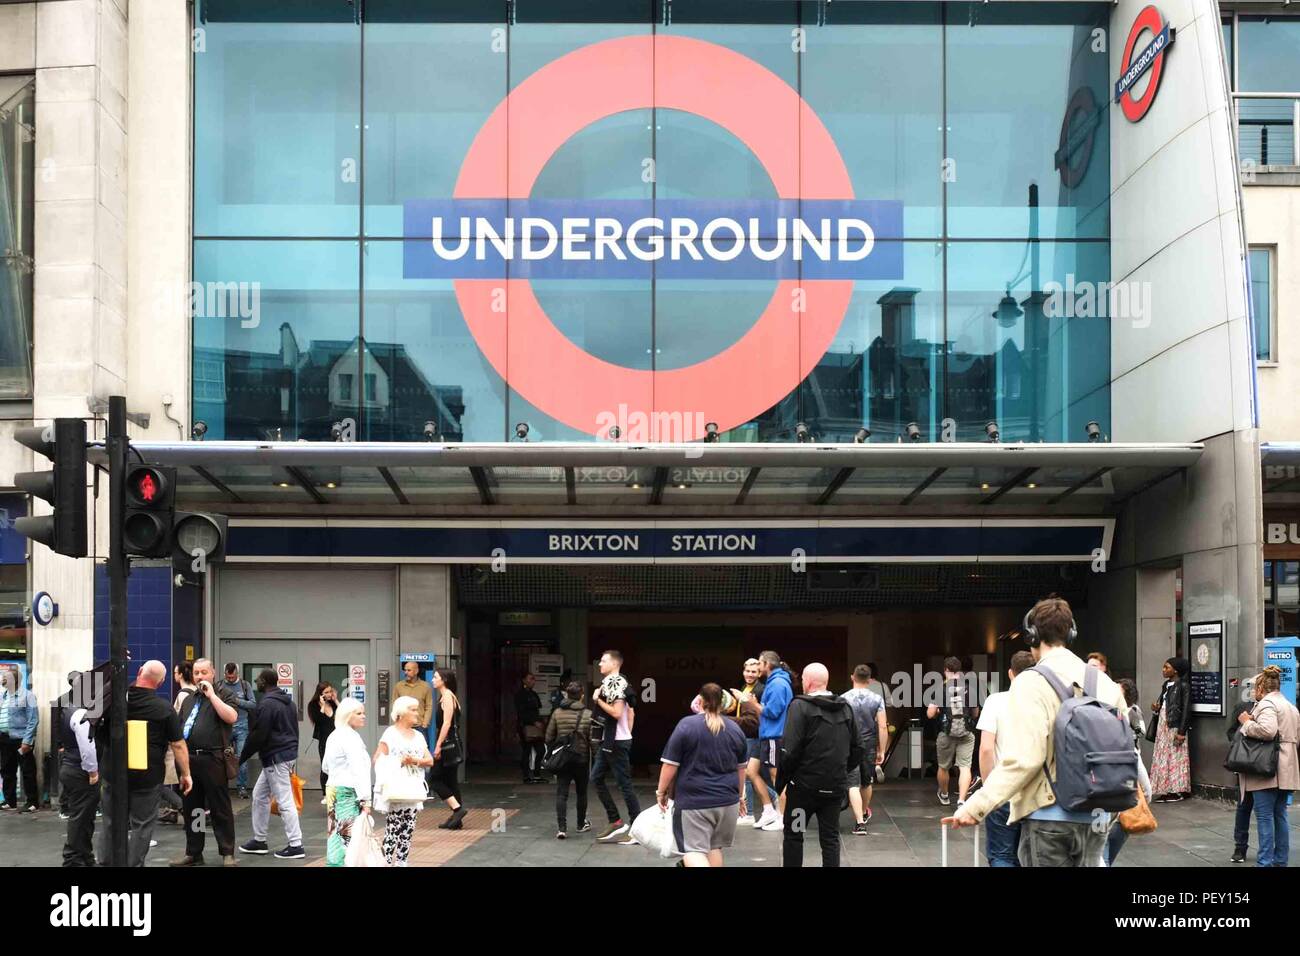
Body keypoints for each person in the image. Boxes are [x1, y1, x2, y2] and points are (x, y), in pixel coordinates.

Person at [943, 596, 1129, 867]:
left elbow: (1025, 759)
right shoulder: (1104, 683)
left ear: (1032, 636)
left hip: (1050, 817)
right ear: (1071, 633)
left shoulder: (1031, 682)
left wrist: (976, 806)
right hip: (1097, 815)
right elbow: (1126, 749)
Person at [98, 661, 191, 867]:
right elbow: (177, 744)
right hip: (146, 778)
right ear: (161, 682)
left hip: (113, 773)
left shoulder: (113, 701)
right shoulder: (164, 708)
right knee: (142, 825)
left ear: (139, 672)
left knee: (111, 822)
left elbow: (89, 704)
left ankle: (105, 863)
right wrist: (186, 774)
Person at [777, 663, 861, 868]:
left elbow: (790, 750)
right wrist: (840, 771)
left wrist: (782, 782)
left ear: (808, 681)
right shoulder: (845, 707)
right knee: (830, 839)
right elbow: (858, 747)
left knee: (795, 835)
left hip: (802, 792)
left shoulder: (799, 706)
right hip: (832, 790)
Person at [657, 683, 748, 867]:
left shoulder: (686, 725)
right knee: (714, 848)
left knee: (693, 851)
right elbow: (741, 769)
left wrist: (661, 792)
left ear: (700, 701)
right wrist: (740, 797)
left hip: (694, 801)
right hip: (727, 801)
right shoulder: (735, 729)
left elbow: (669, 765)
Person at [171, 658, 240, 867]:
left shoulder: (224, 694)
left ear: (213, 673)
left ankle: (227, 852)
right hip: (190, 760)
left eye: (204, 672)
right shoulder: (190, 699)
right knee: (194, 808)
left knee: (220, 808)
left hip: (213, 759)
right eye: (196, 673)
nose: (200, 676)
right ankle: (194, 851)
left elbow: (231, 717)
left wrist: (212, 696)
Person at [238, 669, 304, 860]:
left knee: (284, 801)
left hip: (275, 757)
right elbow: (294, 730)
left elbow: (259, 734)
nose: (256, 682)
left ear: (264, 682)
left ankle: (296, 844)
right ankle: (259, 840)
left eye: (258, 679)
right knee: (259, 795)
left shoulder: (267, 704)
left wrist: (241, 758)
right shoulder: (289, 703)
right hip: (284, 755)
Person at [1237, 665, 1299, 867]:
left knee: (1264, 816)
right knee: (1280, 815)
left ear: (1261, 688)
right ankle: (1280, 861)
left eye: (1255, 688)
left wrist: (1246, 722)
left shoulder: (1266, 705)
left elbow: (1268, 731)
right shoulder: (1291, 707)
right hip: (1287, 767)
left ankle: (1264, 863)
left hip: (1267, 769)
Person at [976, 650, 1035, 866]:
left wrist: (988, 786)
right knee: (1038, 856)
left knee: (1002, 854)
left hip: (1004, 790)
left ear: (1011, 673)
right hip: (1036, 791)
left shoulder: (995, 701)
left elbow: (986, 749)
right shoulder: (1046, 704)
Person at [375, 695, 433, 866]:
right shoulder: (390, 734)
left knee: (408, 829)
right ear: (401, 713)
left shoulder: (418, 736)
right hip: (396, 787)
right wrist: (398, 762)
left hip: (413, 788)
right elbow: (378, 759)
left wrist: (413, 761)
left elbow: (429, 760)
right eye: (413, 710)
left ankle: (402, 862)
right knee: (393, 828)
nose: (417, 713)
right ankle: (385, 863)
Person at [591, 649, 641, 844]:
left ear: (614, 664)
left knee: (624, 784)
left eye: (603, 661)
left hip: (616, 742)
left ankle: (635, 828)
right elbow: (631, 714)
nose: (600, 664)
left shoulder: (616, 683)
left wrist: (597, 700)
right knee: (595, 778)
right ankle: (616, 820)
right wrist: (627, 733)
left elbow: (617, 713)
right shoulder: (614, 683)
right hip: (612, 740)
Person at [1104, 677, 1152, 866]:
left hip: (1127, 760)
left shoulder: (1131, 711)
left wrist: (1127, 732)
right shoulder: (1107, 712)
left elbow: (1141, 731)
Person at [322, 697, 371, 867]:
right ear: (348, 715)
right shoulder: (352, 738)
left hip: (333, 788)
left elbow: (325, 766)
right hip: (349, 791)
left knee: (334, 834)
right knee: (348, 838)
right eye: (359, 713)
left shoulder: (333, 735)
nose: (363, 716)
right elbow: (360, 770)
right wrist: (366, 799)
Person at [58, 681, 101, 866]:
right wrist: (92, 770)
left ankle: (83, 856)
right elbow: (87, 743)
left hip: (71, 765)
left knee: (84, 816)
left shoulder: (69, 709)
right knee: (81, 817)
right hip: (79, 769)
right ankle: (74, 858)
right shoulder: (81, 713)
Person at [926, 656, 978, 807]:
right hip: (966, 733)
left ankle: (944, 795)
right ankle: (962, 800)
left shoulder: (940, 688)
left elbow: (930, 714)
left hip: (946, 732)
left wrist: (937, 712)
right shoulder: (970, 688)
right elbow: (975, 713)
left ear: (946, 670)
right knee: (965, 767)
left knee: (943, 766)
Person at [842, 663, 887, 834]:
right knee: (866, 781)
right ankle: (862, 812)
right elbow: (882, 727)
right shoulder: (877, 699)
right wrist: (882, 750)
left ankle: (860, 822)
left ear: (852, 677)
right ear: (869, 680)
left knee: (852, 783)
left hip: (849, 744)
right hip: (868, 744)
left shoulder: (843, 699)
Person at [546, 680, 593, 839]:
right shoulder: (587, 714)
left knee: (562, 793)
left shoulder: (557, 712)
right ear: (581, 696)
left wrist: (557, 747)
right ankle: (580, 824)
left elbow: (548, 737)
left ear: (566, 694)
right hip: (581, 759)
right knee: (581, 792)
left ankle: (562, 828)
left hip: (563, 759)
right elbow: (593, 740)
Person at [753, 649, 793, 832]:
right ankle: (773, 812)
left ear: (767, 665)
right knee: (755, 771)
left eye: (759, 664)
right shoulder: (775, 682)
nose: (757, 667)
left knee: (778, 778)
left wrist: (752, 704)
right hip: (770, 735)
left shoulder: (777, 684)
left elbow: (773, 711)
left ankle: (782, 817)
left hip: (774, 736)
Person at [734, 658, 776, 826]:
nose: (750, 674)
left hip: (754, 735)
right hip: (745, 734)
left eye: (754, 672)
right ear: (743, 671)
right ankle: (774, 801)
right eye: (747, 671)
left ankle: (749, 813)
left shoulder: (760, 689)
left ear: (759, 673)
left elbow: (759, 713)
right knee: (752, 775)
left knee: (749, 775)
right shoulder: (745, 687)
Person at [1149, 656, 1192, 802]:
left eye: (1167, 667)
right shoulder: (1166, 685)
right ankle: (1166, 788)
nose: (1163, 670)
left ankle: (1177, 790)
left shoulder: (1183, 686)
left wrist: (1181, 732)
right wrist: (1156, 708)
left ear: (1176, 670)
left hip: (1174, 726)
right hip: (1163, 726)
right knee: (1163, 758)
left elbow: (1186, 709)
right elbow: (1164, 706)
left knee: (1175, 758)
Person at [430, 670, 468, 830]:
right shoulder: (447, 696)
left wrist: (438, 745)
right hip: (450, 742)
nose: (433, 680)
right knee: (451, 781)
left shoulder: (447, 696)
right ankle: (456, 819)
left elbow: (446, 724)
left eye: (436, 677)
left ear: (444, 680)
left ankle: (458, 810)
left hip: (448, 744)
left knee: (434, 779)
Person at [159, 661, 195, 825]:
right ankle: (186, 814)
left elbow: (176, 722)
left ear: (180, 674)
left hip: (180, 744)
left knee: (166, 781)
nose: (174, 675)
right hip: (194, 745)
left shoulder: (182, 695)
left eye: (175, 672)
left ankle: (184, 810)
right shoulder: (196, 691)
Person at [0, 668, 39, 812]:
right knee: (6, 770)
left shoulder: (28, 696)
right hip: (5, 739)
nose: (2, 679)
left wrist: (27, 741)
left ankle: (32, 802)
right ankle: (10, 802)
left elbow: (33, 720)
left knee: (27, 770)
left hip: (21, 739)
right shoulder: (3, 696)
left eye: (5, 677)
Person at [1229, 678, 1257, 863]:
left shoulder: (1274, 708)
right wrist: (1240, 744)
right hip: (1245, 763)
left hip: (1264, 765)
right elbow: (1231, 731)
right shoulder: (1242, 707)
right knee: (1243, 806)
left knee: (1268, 811)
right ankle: (1240, 847)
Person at [222, 663, 257, 798]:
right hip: (225, 727)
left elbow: (253, 704)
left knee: (242, 758)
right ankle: (222, 785)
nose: (230, 679)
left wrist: (236, 701)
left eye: (232, 677)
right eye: (228, 677)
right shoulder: (220, 685)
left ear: (237, 674)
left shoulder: (245, 685)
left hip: (242, 726)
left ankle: (241, 786)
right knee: (222, 757)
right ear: (225, 674)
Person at [308, 682, 340, 800]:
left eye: (330, 691)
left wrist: (336, 700)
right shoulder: (313, 705)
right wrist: (322, 706)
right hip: (324, 739)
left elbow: (343, 714)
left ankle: (337, 792)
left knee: (337, 766)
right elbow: (318, 720)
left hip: (337, 739)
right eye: (326, 692)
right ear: (320, 694)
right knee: (325, 766)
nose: (329, 694)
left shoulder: (333, 703)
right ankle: (326, 794)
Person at [515, 672, 545, 784]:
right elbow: (521, 712)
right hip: (525, 726)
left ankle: (537, 774)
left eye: (534, 679)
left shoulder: (534, 694)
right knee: (526, 751)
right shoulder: (520, 695)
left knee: (541, 750)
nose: (533, 681)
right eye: (530, 679)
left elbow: (537, 709)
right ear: (524, 680)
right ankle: (526, 775)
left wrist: (540, 721)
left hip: (536, 726)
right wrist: (532, 721)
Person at [391, 661, 433, 732]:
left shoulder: (425, 686)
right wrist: (396, 722)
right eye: (405, 670)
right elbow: (394, 705)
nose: (406, 672)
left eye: (409, 670)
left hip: (419, 727)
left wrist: (425, 723)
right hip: (403, 726)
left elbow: (429, 706)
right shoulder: (399, 686)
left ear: (416, 671)